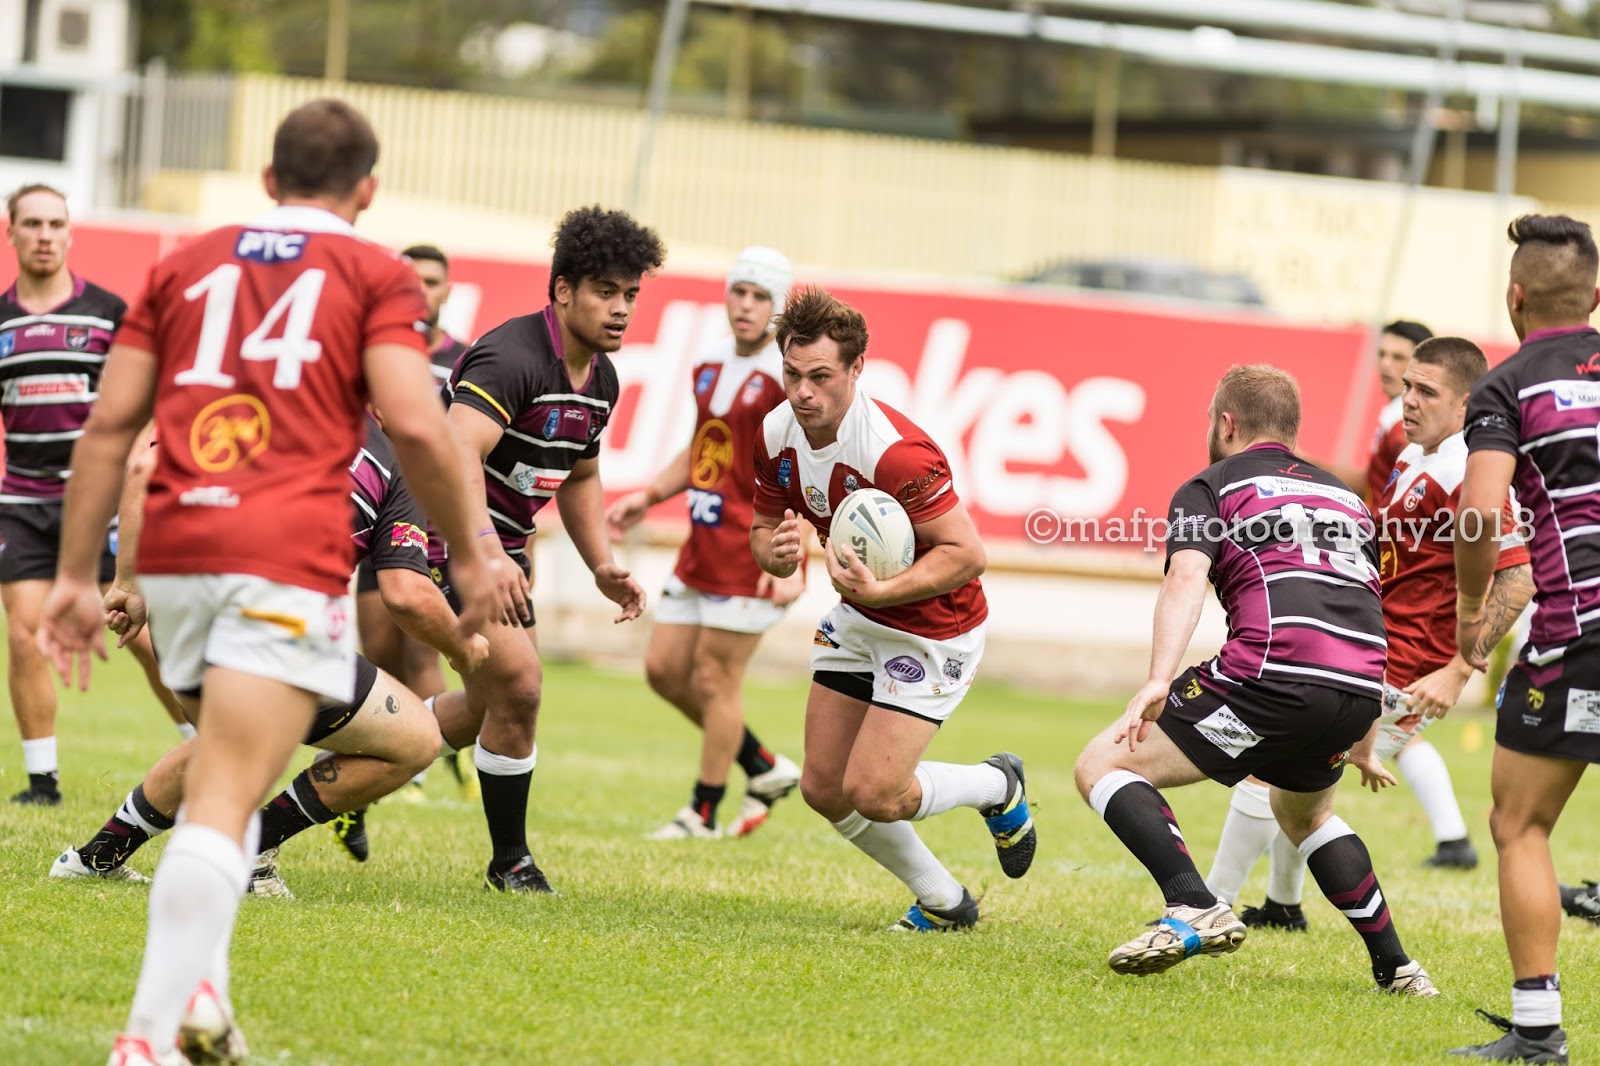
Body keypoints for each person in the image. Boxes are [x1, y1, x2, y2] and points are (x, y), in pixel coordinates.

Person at [35, 99, 501, 1066]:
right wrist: (479, 554)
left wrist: (84, 576)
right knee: (226, 807)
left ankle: (204, 1003)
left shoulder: (184, 262)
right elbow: (416, 425)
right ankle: (147, 1041)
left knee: (222, 773)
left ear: (266, 181)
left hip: (175, 556)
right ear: (367, 191)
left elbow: (112, 432)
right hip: (278, 556)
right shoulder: (374, 273)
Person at [1072, 364, 1436, 995]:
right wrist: (1365, 728)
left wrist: (1160, 679)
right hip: (1357, 686)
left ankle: (1194, 902)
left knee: (1102, 766)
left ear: (1227, 422)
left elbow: (1184, 580)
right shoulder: (1350, 500)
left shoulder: (1210, 486)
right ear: (1292, 432)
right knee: (1306, 814)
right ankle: (1399, 969)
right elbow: (1363, 603)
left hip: (1270, 674)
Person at [51, 417, 489, 897]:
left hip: (182, 610)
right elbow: (408, 596)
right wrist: (463, 647)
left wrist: (129, 583)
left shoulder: (262, 399)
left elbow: (143, 467)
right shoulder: (394, 460)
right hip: (274, 615)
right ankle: (245, 851)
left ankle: (95, 858)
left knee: (233, 738)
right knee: (416, 740)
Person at [1209, 338, 1534, 929]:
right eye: (1408, 386)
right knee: (1299, 775)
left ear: (1467, 404)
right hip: (1370, 646)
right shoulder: (1415, 457)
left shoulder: (1471, 468)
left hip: (1413, 665)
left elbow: (1519, 578)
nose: (1407, 401)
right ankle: (1283, 906)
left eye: (1425, 392)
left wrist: (1459, 670)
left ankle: (1206, 905)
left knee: (1273, 763)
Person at [749, 285, 1036, 931]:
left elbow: (967, 553)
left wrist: (880, 592)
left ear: (856, 370)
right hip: (860, 617)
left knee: (876, 792)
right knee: (824, 788)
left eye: (820, 377)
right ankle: (944, 902)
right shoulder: (775, 432)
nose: (803, 393)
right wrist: (779, 551)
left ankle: (998, 786)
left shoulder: (894, 452)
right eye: (792, 375)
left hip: (936, 629)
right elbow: (764, 535)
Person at [424, 205, 661, 893]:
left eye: (631, 296)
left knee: (481, 708)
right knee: (521, 686)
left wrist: (602, 566)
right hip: (445, 537)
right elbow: (454, 449)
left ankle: (338, 769)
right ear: (563, 291)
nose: (621, 310)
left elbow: (579, 474)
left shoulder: (603, 378)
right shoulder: (513, 355)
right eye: (606, 292)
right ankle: (511, 862)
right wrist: (483, 551)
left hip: (501, 553)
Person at [1450, 213, 1600, 1063]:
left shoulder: (1508, 387)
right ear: (1597, 297)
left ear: (1514, 298)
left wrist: (1474, 607)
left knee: (1521, 825)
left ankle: (1537, 1031)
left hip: (1581, 632)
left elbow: (1478, 510)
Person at [0, 184, 191, 805]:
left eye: (56, 223)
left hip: (103, 505)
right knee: (24, 633)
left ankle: (203, 746)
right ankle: (42, 781)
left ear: (71, 233)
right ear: (12, 233)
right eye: (32, 223)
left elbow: (146, 397)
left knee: (138, 634)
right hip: (23, 504)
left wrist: (137, 460)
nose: (45, 234)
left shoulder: (108, 312)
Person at [606, 246, 804, 839]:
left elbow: (807, 466)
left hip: (753, 549)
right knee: (665, 670)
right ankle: (762, 766)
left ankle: (704, 811)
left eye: (760, 296)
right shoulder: (710, 364)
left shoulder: (786, 378)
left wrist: (796, 558)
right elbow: (704, 448)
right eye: (738, 292)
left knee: (717, 680)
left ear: (778, 307)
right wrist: (652, 492)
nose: (745, 305)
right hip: (700, 543)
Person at [353, 243, 472, 798]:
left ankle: (445, 763)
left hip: (429, 516)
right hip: (373, 505)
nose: (423, 291)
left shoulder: (464, 362)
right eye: (413, 280)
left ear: (447, 290)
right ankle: (400, 754)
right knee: (379, 644)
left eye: (432, 281)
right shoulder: (372, 352)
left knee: (423, 642)